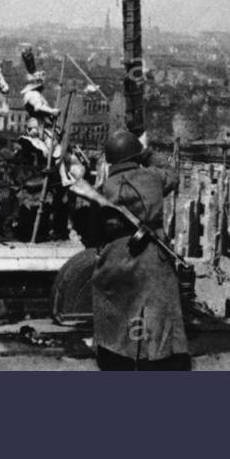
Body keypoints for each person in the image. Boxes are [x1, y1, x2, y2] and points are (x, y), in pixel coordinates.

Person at [89, 130, 189, 371]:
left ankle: (116, 351)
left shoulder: (106, 187)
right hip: (153, 253)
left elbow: (94, 228)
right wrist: (149, 153)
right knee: (160, 304)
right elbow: (173, 176)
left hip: (117, 255)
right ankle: (158, 355)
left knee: (112, 300)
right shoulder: (153, 177)